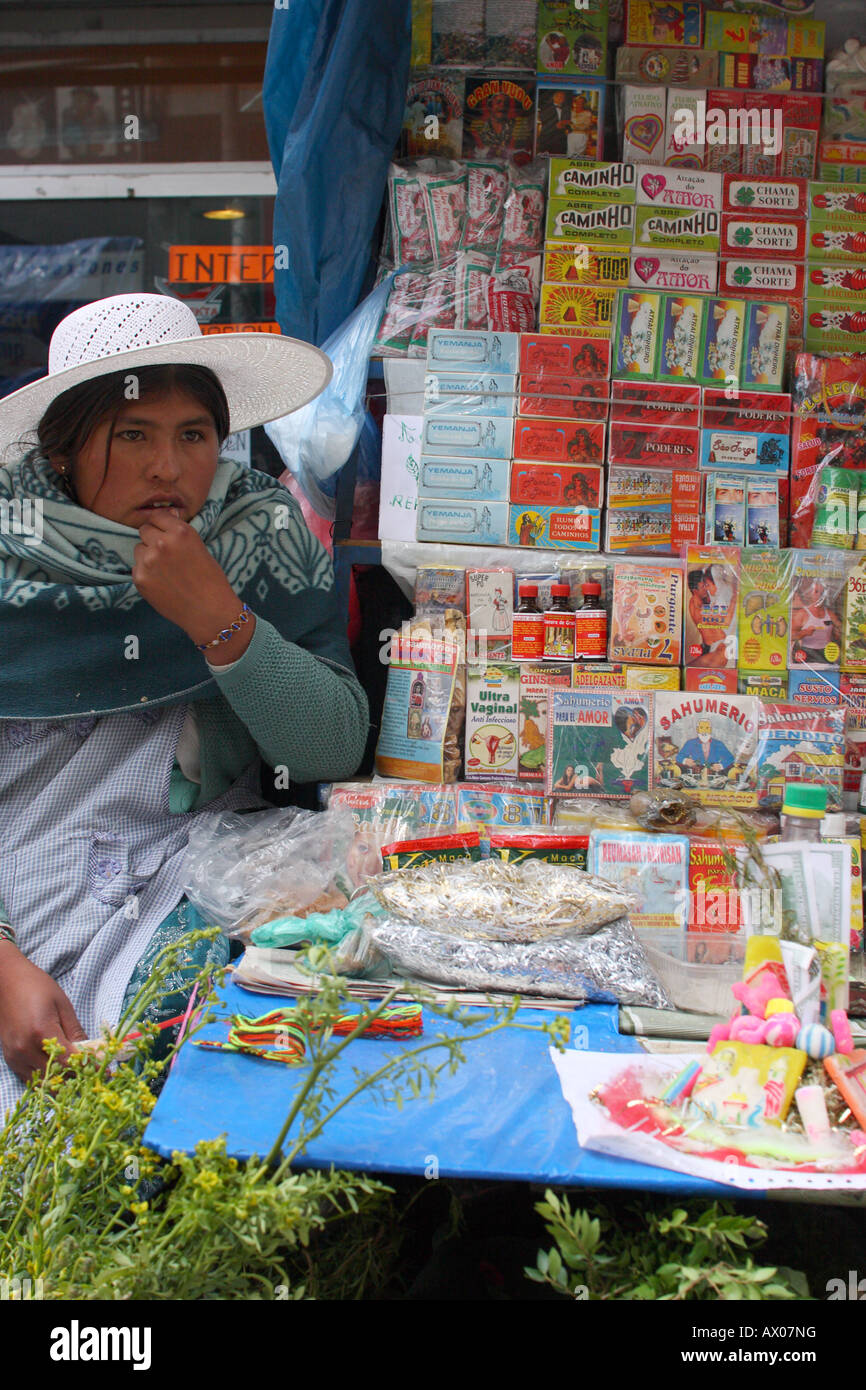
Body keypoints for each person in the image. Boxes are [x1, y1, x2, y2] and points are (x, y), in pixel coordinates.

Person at [0, 293, 369, 1115]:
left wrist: (220, 620)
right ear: (64, 449)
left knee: (189, 1086)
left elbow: (333, 746)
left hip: (189, 878)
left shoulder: (260, 535)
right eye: (132, 434)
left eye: (193, 435)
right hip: (19, 893)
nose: (168, 468)